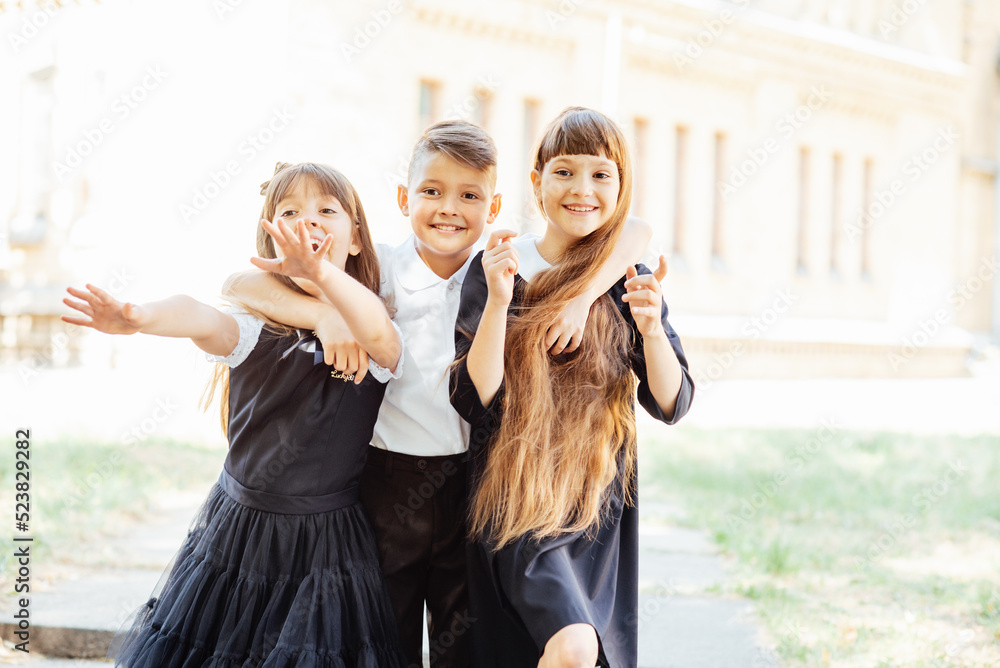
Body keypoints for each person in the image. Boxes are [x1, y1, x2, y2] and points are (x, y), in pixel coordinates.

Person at [222, 121, 651, 667]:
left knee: (461, 642)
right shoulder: (373, 270)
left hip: (470, 483)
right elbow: (240, 284)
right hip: (382, 483)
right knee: (381, 635)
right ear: (404, 198)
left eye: (469, 196)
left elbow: (634, 229)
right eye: (431, 192)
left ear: (492, 209)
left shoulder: (502, 269)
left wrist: (588, 295)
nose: (449, 208)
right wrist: (324, 313)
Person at [61, 162, 407, 667]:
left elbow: (381, 336)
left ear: (355, 239)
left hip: (325, 543)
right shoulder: (254, 325)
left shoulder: (374, 326)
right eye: (289, 211)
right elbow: (201, 315)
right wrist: (140, 318)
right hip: (235, 533)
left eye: (326, 211)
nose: (307, 222)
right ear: (271, 243)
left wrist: (328, 292)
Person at [450, 107, 695, 667]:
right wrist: (496, 301)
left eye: (601, 174)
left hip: (597, 505)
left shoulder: (626, 277)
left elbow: (671, 400)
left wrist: (651, 330)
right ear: (536, 183)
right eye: (564, 172)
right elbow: (474, 395)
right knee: (573, 646)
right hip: (518, 495)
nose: (581, 189)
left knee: (579, 653)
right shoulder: (503, 267)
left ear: (621, 186)